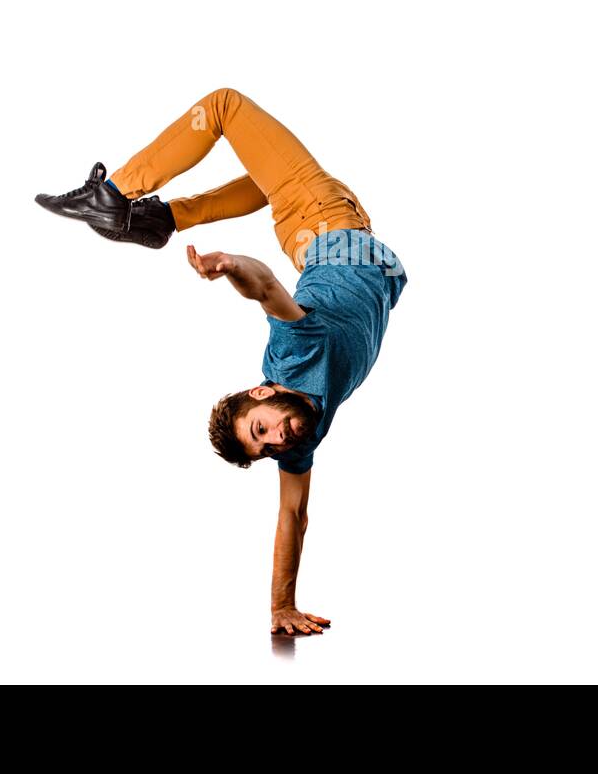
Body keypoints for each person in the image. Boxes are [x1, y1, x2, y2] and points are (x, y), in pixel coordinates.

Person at [34, 87, 407, 635]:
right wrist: (281, 606)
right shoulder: (309, 425)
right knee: (265, 175)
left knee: (227, 105)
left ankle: (115, 195)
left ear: (261, 393)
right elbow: (291, 517)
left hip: (324, 218)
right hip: (320, 233)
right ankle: (163, 219)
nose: (276, 441)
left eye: (262, 430)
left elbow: (267, 291)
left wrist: (231, 265)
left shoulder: (291, 360)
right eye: (266, 448)